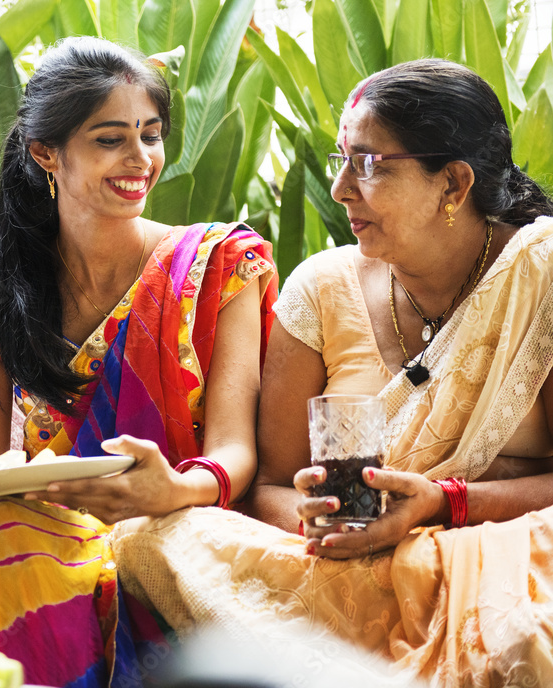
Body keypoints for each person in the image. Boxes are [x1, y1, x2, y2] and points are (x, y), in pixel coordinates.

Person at [110, 59, 553, 686]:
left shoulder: (540, 275)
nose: (342, 187)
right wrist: (333, 524)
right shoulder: (321, 287)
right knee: (156, 540)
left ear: (453, 184)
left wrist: (443, 504)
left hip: (503, 557)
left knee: (519, 637)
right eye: (339, 159)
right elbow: (269, 486)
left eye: (369, 164)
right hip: (351, 569)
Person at [0, 37, 277, 687]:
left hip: (182, 527)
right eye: (111, 139)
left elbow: (234, 452)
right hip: (47, 531)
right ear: (46, 153)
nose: (140, 159)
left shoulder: (217, 267)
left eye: (151, 134)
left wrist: (169, 488)